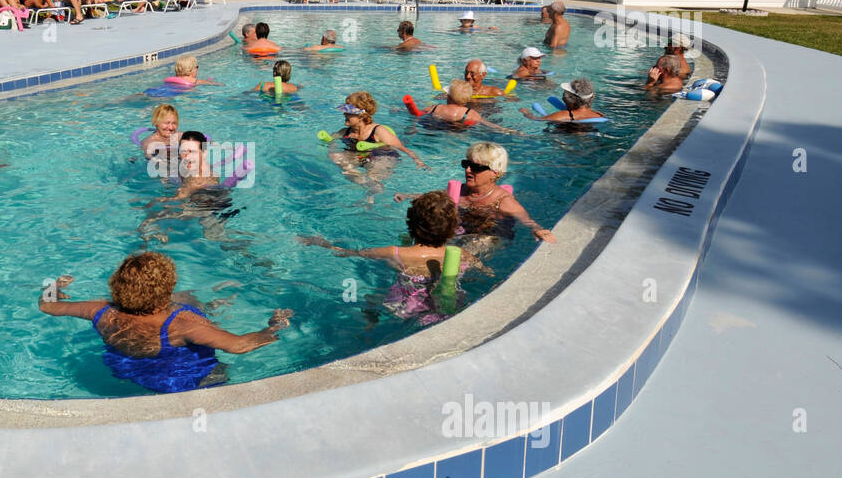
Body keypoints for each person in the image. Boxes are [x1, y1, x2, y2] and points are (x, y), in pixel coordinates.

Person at [37, 252, 293, 393]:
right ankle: (213, 307)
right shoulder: (183, 324)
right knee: (190, 301)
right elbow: (238, 346)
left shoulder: (101, 309)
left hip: (129, 372)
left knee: (187, 302)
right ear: (166, 287)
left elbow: (48, 306)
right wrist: (272, 328)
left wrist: (53, 287)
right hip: (186, 381)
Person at [299, 191, 475, 323]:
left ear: (411, 223)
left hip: (405, 309)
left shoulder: (395, 253)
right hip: (450, 305)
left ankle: (370, 323)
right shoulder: (463, 255)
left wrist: (324, 244)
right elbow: (487, 272)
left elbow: (353, 254)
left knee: (371, 299)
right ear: (453, 227)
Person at [397, 142, 555, 243]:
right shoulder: (461, 191)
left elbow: (527, 221)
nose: (468, 170)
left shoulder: (503, 201)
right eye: (466, 164)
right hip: (462, 230)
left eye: (476, 168)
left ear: (495, 172)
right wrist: (409, 196)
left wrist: (538, 229)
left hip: (490, 236)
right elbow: (438, 198)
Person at [413, 80, 513, 132]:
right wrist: (504, 129)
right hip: (459, 131)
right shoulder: (471, 114)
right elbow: (489, 124)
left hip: (434, 129)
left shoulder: (436, 108)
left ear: (449, 96)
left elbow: (417, 113)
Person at [519, 78, 605, 124]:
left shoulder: (561, 115)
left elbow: (536, 119)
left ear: (569, 100)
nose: (563, 98)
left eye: (564, 94)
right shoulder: (599, 115)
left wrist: (526, 113)